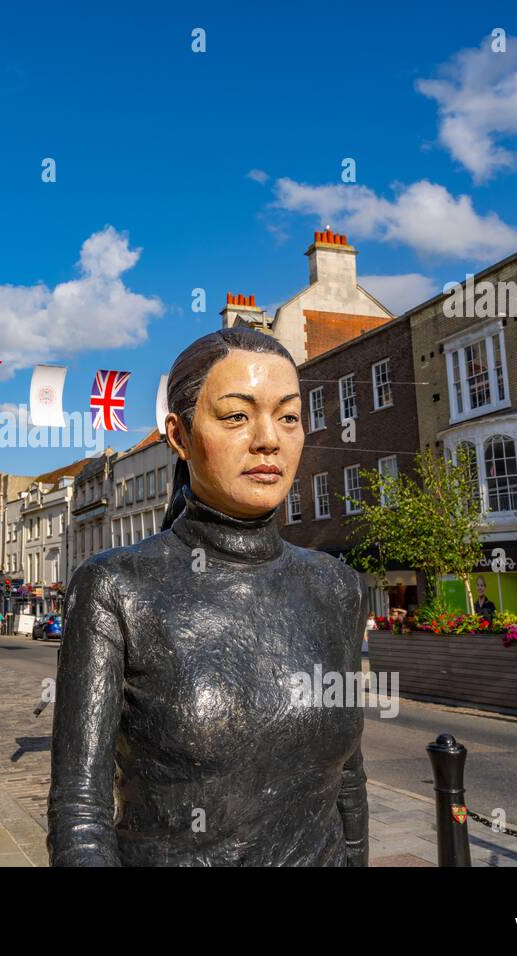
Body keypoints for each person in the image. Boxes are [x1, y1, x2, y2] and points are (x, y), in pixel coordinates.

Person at [47, 326, 368, 866]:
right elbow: (81, 809)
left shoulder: (336, 586)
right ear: (179, 435)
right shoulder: (116, 587)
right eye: (237, 415)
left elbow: (348, 780)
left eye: (288, 416)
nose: (269, 439)